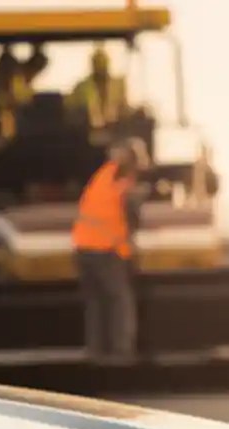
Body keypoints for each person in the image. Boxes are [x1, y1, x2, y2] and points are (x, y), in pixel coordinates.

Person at [71, 138, 149, 365]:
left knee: (95, 303)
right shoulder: (125, 183)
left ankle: (95, 352)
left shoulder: (103, 175)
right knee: (120, 301)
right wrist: (130, 252)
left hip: (82, 248)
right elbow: (130, 219)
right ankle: (121, 353)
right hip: (104, 250)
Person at [66, 47, 129, 131]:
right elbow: (69, 108)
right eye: (97, 63)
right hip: (85, 132)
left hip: (116, 132)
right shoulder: (82, 87)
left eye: (103, 63)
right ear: (92, 64)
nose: (100, 66)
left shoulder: (118, 85)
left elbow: (125, 107)